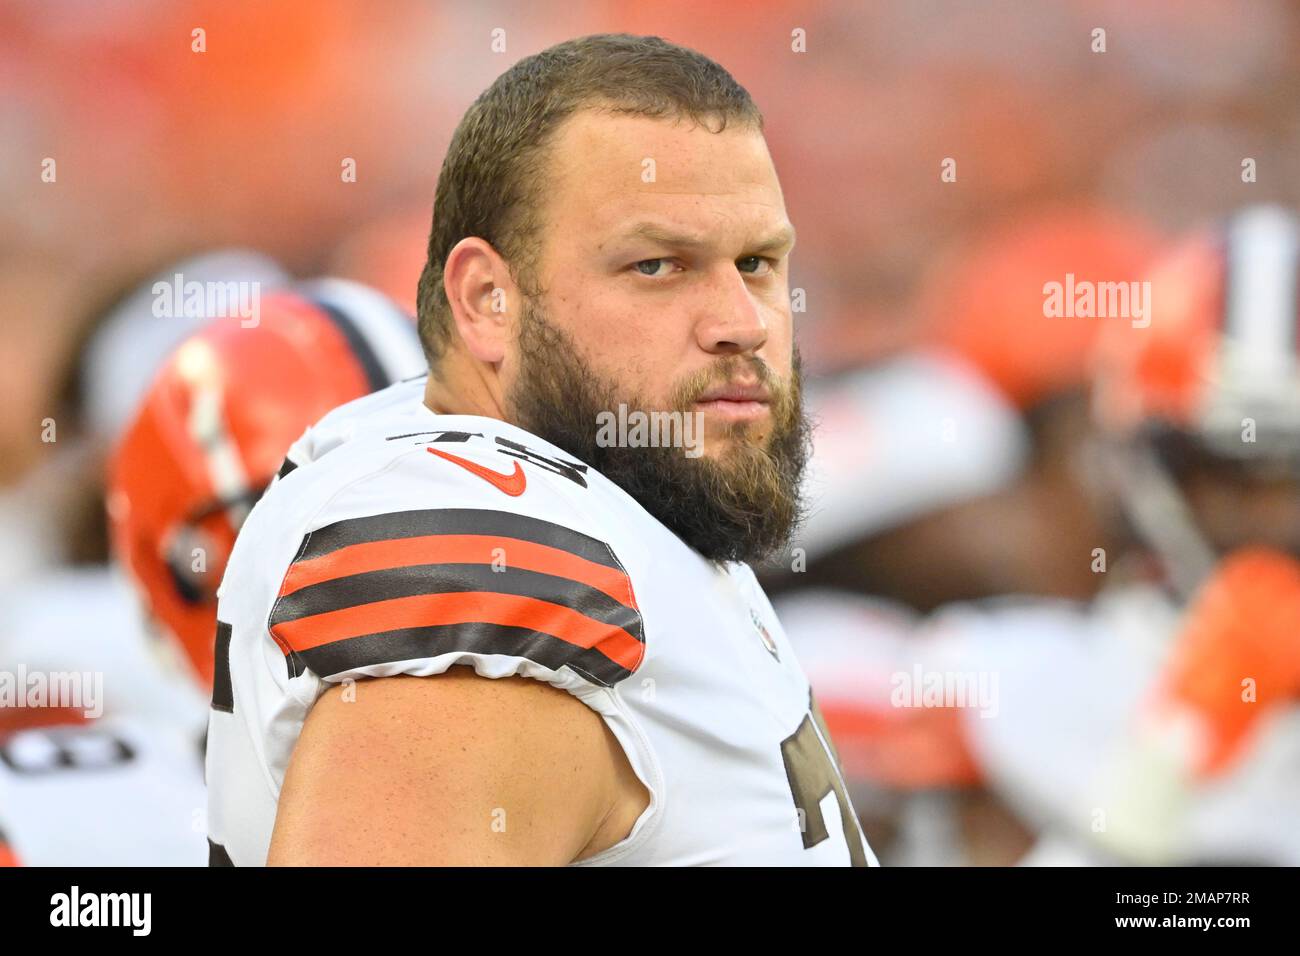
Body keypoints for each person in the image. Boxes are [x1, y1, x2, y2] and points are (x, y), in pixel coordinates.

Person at [205, 33, 875, 867]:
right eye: (658, 264)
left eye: (758, 262)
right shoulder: (493, 552)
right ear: (488, 299)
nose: (741, 323)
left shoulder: (623, 485)